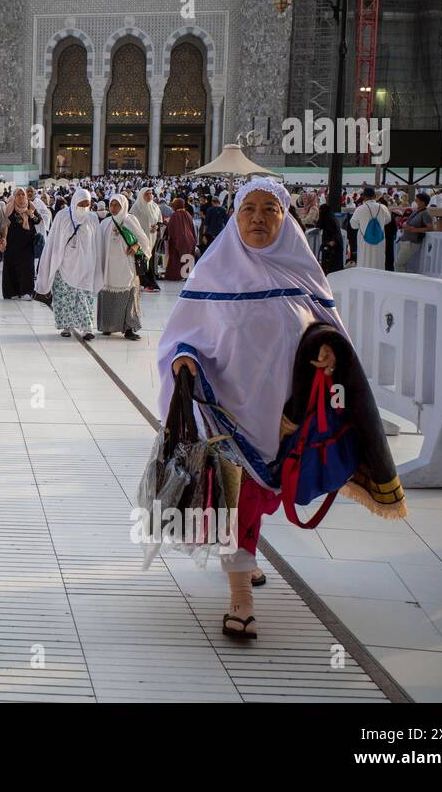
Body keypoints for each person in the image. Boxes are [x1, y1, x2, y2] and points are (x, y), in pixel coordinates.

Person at [158, 178, 405, 639]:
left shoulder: (303, 273)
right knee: (238, 498)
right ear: (234, 216)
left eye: (269, 209)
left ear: (284, 216)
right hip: (227, 416)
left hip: (287, 417)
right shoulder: (214, 274)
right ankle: (241, 598)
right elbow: (180, 335)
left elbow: (329, 330)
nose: (256, 218)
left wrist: (330, 351)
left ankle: (244, 555)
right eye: (247, 208)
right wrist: (183, 357)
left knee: (266, 494)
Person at [34, 187, 100, 339]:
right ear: (75, 201)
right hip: (64, 265)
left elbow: (97, 243)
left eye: (86, 204)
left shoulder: (92, 218)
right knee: (65, 298)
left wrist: (98, 264)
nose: (83, 208)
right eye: (81, 204)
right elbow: (53, 241)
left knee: (85, 298)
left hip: (86, 265)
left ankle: (87, 328)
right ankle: (66, 326)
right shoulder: (62, 216)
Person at [97, 194, 149, 340]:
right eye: (112, 205)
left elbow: (143, 239)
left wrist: (136, 245)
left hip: (127, 266)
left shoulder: (130, 220)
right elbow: (98, 245)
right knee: (108, 295)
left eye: (117, 205)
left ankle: (129, 328)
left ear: (124, 206)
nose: (113, 208)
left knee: (129, 296)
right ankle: (108, 326)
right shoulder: (105, 223)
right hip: (108, 267)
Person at [1, 187, 40, 300]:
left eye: (23, 194)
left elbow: (38, 220)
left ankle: (26, 292)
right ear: (14, 196)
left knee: (27, 268)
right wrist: (2, 239)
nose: (21, 197)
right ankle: (11, 292)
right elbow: (3, 223)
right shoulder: (9, 207)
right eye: (18, 195)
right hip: (12, 242)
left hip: (27, 243)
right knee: (11, 267)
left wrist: (31, 215)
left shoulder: (30, 206)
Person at [349, 187, 391, 270]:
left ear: (364, 196)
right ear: (375, 195)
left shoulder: (360, 209)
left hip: (364, 241)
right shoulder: (383, 207)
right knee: (378, 261)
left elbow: (353, 225)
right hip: (379, 240)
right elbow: (388, 220)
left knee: (364, 261)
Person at [131, 188, 163, 291]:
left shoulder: (155, 206)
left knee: (149, 260)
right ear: (142, 195)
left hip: (151, 239)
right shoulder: (136, 208)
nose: (150, 196)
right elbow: (131, 222)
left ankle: (149, 282)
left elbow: (159, 220)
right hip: (140, 240)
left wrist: (156, 227)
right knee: (142, 261)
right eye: (147, 194)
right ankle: (145, 283)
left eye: (151, 193)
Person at [395, 191, 434, 274]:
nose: (415, 202)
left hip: (411, 242)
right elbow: (408, 223)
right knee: (402, 264)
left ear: (423, 202)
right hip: (405, 240)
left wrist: (414, 230)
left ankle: (400, 281)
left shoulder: (425, 213)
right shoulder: (416, 211)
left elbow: (430, 228)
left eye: (417, 200)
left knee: (398, 263)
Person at [162, 197, 197, 280]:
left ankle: (176, 276)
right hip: (190, 240)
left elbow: (171, 229)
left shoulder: (175, 215)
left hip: (177, 240)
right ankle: (187, 275)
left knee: (176, 260)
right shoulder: (188, 214)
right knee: (188, 258)